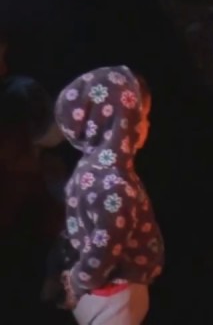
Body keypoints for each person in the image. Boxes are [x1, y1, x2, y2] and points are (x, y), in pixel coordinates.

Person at [53, 66, 163, 325]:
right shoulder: (116, 187)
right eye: (143, 117)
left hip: (98, 296)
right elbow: (102, 251)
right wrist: (77, 282)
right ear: (121, 123)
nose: (147, 125)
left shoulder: (87, 168)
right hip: (114, 300)